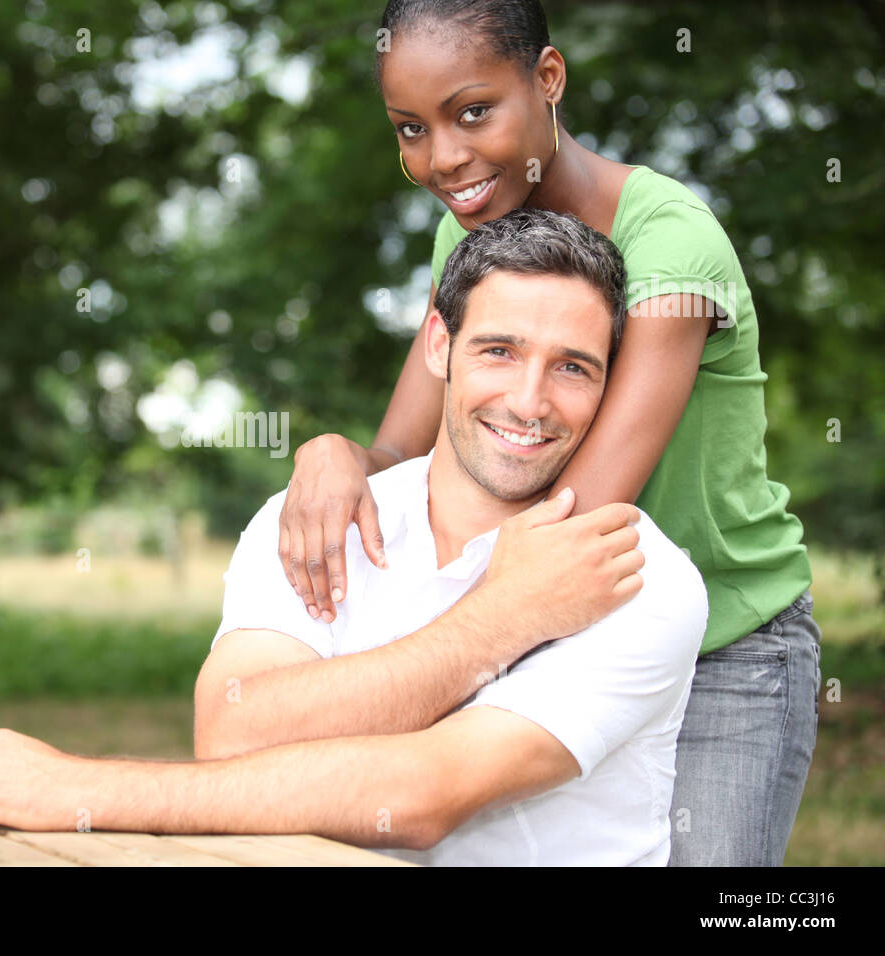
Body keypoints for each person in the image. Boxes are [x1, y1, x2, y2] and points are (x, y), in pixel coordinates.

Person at [0, 209, 706, 865]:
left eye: (573, 367)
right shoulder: (312, 518)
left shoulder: (637, 580)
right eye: (498, 351)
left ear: (610, 382)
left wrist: (77, 790)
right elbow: (234, 732)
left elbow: (421, 794)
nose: (530, 401)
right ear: (439, 345)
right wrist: (503, 619)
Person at [277, 0, 820, 866]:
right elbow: (403, 455)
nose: (443, 159)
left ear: (549, 79)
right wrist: (327, 455)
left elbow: (575, 515)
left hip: (725, 647)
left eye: (473, 112)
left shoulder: (670, 247)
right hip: (557, 625)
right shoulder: (468, 237)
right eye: (410, 128)